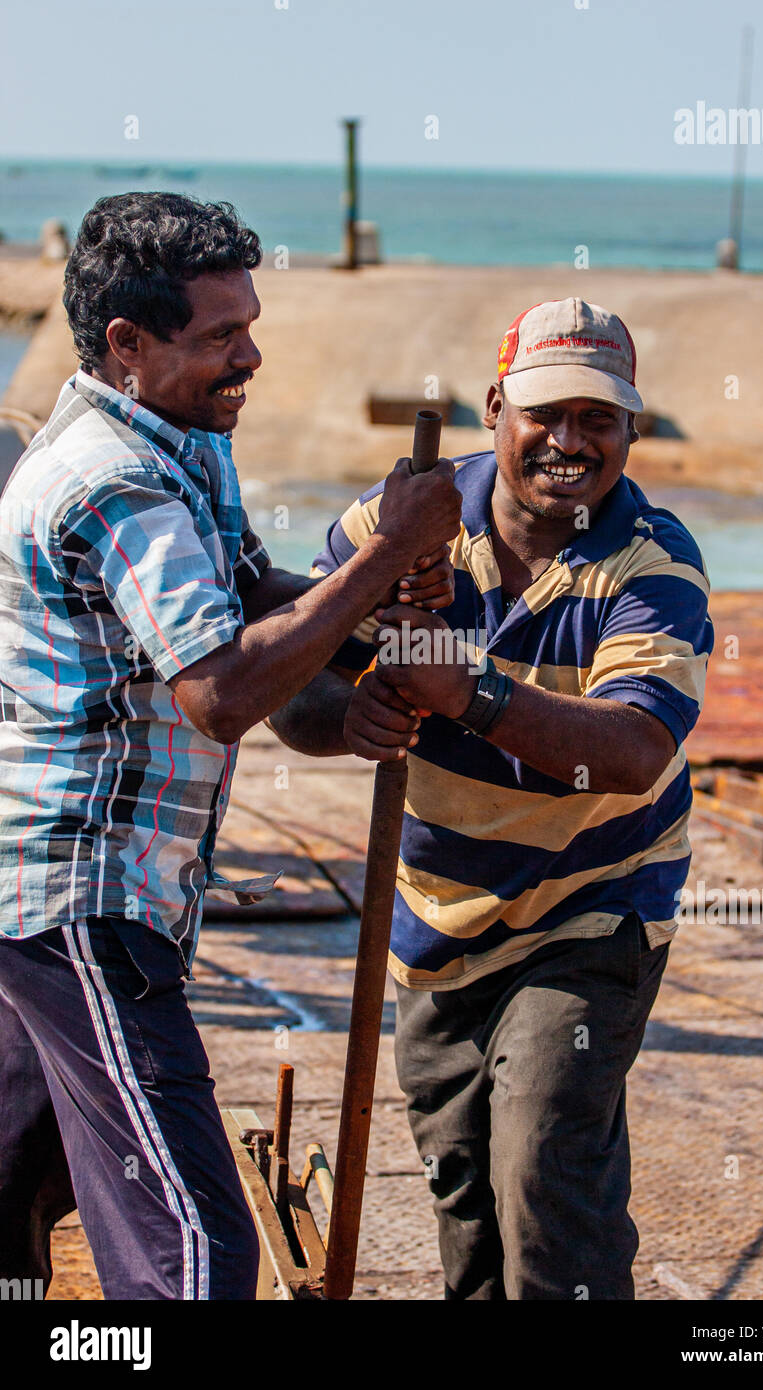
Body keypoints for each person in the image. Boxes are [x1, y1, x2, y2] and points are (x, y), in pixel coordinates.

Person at [0, 191, 461, 1299]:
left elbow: (250, 591)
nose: (248, 356)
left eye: (249, 326)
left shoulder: (184, 442)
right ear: (127, 343)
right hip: (82, 899)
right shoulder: (107, 477)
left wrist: (381, 607)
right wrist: (376, 561)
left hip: (90, 893)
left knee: (15, 1179)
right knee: (194, 1250)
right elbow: (214, 688)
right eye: (220, 337)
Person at [270, 297, 714, 1300]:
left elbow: (633, 750)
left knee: (544, 1172)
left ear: (630, 432)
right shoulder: (397, 530)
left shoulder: (649, 561)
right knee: (463, 1186)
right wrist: (352, 714)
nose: (567, 441)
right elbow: (295, 684)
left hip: (590, 904)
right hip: (437, 912)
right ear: (493, 411)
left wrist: (462, 689)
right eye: (544, 413)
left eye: (597, 419)